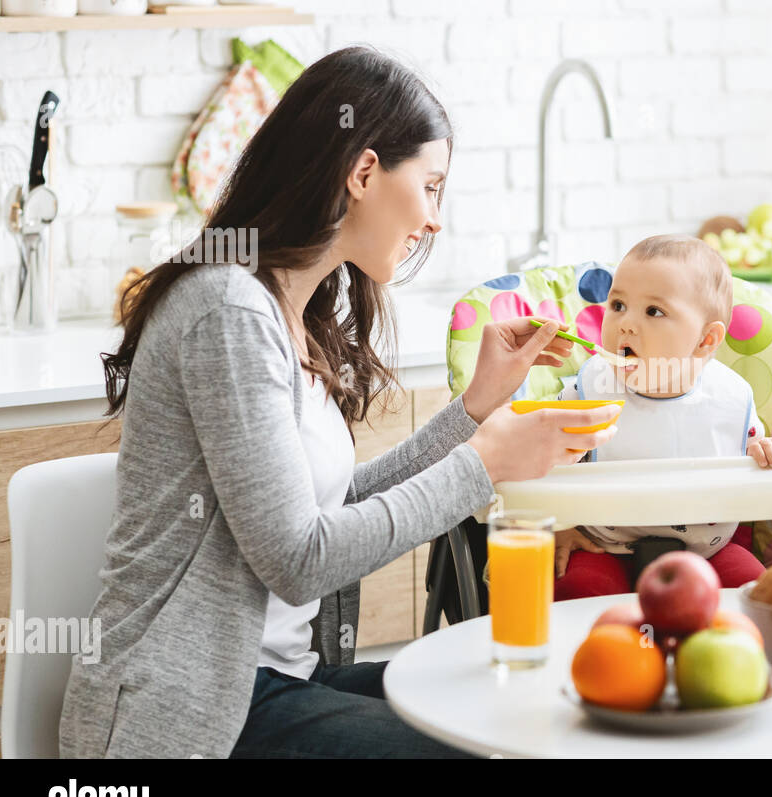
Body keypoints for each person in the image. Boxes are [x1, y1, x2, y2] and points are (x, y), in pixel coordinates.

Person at [59, 47, 620, 759]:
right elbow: (299, 558)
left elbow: (327, 509)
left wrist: (474, 410)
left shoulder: (291, 310)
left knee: (523, 710)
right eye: (432, 185)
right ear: (363, 173)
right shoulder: (228, 310)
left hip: (280, 682)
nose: (436, 219)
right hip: (196, 711)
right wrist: (483, 464)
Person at [551, 235, 772, 599]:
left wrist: (767, 451)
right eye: (618, 305)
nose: (626, 324)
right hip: (603, 544)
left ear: (705, 341)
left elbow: (747, 448)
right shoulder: (588, 390)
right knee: (578, 588)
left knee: (755, 592)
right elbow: (545, 464)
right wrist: (560, 526)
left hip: (708, 548)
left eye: (654, 312)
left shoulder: (730, 397)